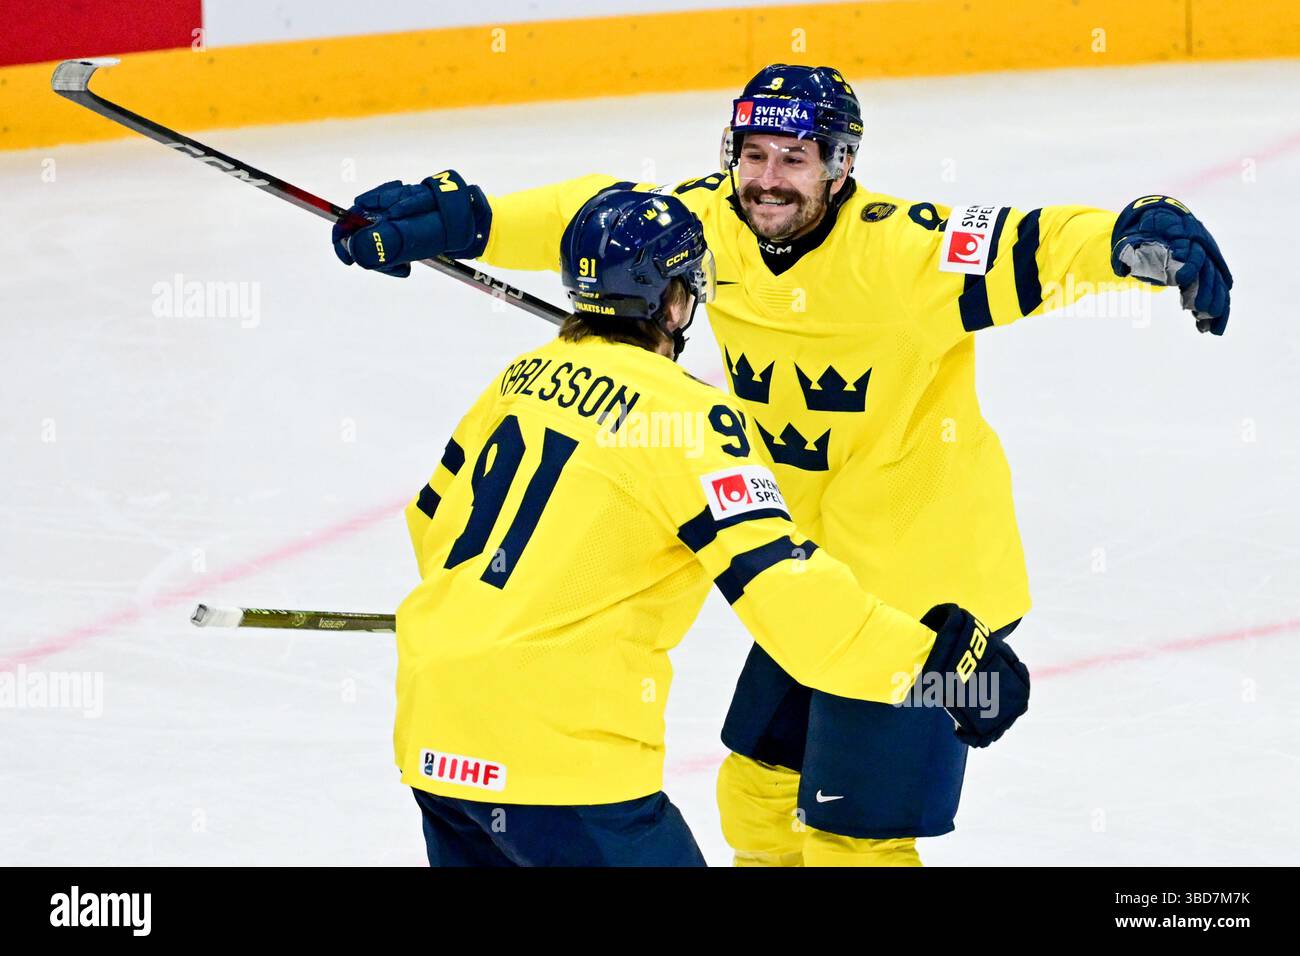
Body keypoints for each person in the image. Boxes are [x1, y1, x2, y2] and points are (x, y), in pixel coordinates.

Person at [336, 63, 1225, 866]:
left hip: (922, 598)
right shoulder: (707, 222)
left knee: (850, 839)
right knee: (756, 804)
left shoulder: (904, 251)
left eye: (794, 159)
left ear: (841, 164)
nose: (766, 179)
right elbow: (587, 216)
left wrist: (1137, 236)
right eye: (752, 153)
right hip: (809, 588)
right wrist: (459, 218)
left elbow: (1035, 244)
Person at [388, 188, 1027, 867]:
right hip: (564, 763)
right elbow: (791, 599)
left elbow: (431, 523)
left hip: (435, 735)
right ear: (673, 300)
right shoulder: (692, 418)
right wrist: (941, 667)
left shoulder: (520, 377)